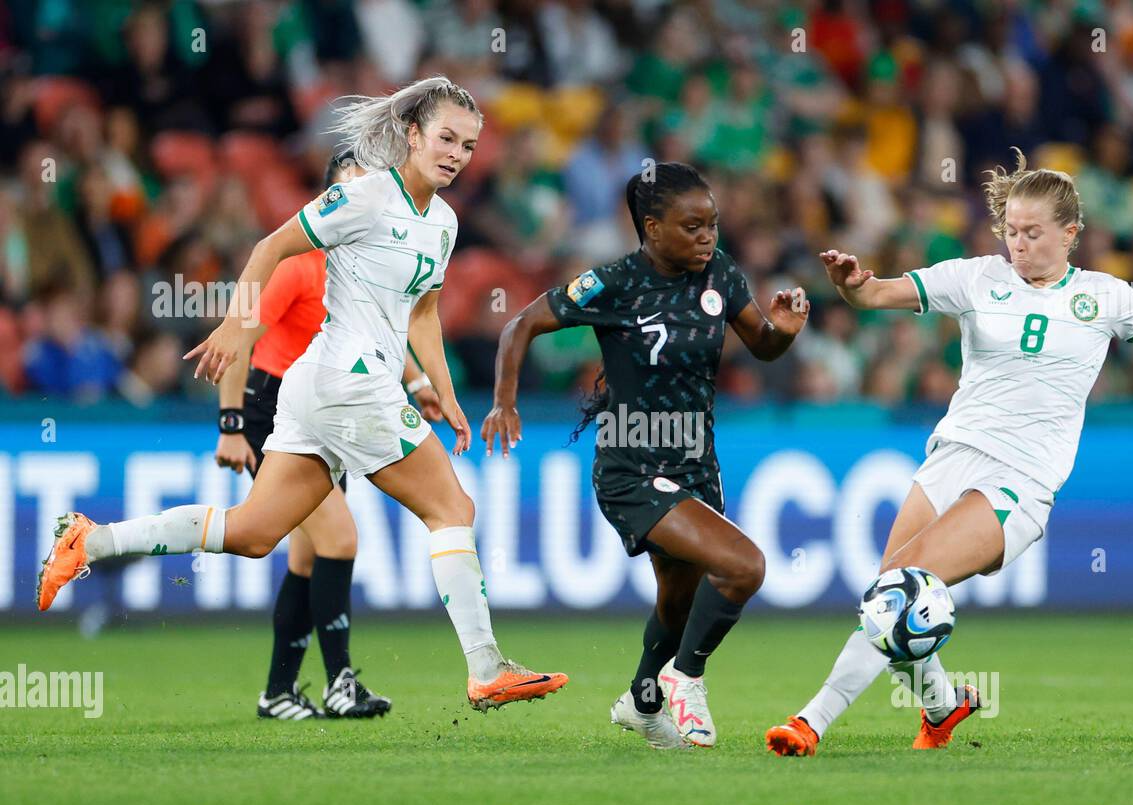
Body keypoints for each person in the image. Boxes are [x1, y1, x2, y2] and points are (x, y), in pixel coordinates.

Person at [37, 76, 569, 713]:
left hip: (322, 387)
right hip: (351, 383)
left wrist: (442, 392)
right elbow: (272, 246)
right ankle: (486, 669)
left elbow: (421, 314)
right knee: (451, 509)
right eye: (446, 137)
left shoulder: (445, 224)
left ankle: (90, 542)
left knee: (255, 532)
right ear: (412, 134)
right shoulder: (368, 197)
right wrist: (236, 325)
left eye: (470, 145)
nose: (456, 152)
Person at [766, 147, 1133, 756]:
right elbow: (874, 297)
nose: (1017, 245)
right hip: (952, 455)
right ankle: (943, 709)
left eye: (1032, 233)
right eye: (1010, 232)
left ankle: (810, 722)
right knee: (887, 592)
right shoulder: (977, 277)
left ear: (1071, 233)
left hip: (1020, 479)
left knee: (899, 593)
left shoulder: (1104, 297)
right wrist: (850, 285)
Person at [483, 162, 809, 748]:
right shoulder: (614, 283)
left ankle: (642, 700)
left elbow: (761, 345)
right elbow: (521, 325)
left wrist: (782, 329)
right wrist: (504, 403)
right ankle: (685, 679)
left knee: (679, 599)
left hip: (695, 463)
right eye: (692, 226)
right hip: (632, 468)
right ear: (652, 228)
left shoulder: (722, 277)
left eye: (712, 224)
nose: (707, 236)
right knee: (742, 567)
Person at [214, 150, 441, 720]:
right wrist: (231, 424)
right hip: (274, 409)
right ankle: (340, 683)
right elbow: (239, 334)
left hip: (332, 412)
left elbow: (384, 335)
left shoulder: (368, 267)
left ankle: (279, 692)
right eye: (348, 188)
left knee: (308, 558)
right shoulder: (299, 263)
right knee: (338, 538)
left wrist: (416, 381)